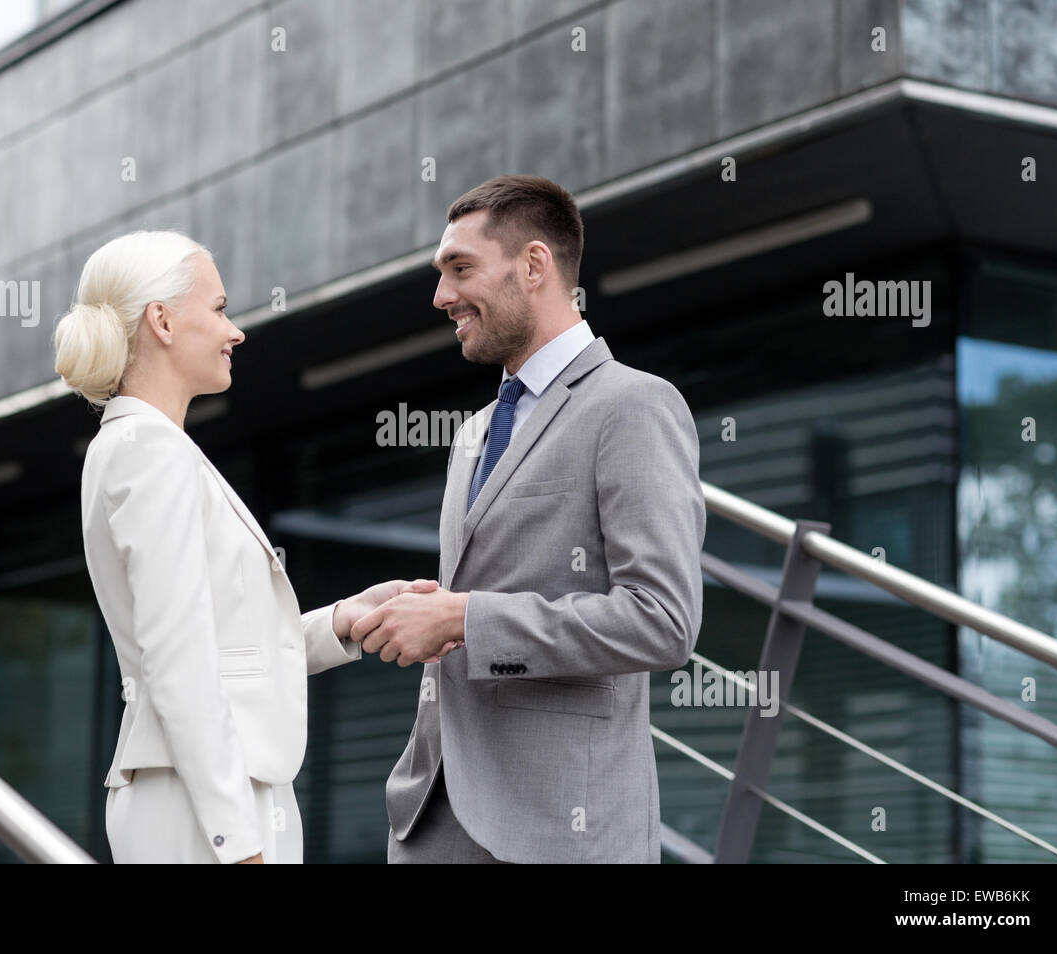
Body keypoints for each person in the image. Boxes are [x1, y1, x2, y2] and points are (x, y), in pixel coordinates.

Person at [350, 176, 706, 863]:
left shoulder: (633, 406)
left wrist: (465, 619)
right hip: (431, 818)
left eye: (461, 269)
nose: (441, 296)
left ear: (535, 265)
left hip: (559, 830)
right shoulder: (474, 434)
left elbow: (662, 621)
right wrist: (427, 613)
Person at [53, 230, 434, 863]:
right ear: (163, 321)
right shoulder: (149, 451)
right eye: (221, 308)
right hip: (201, 808)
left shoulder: (145, 447)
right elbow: (178, 660)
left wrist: (343, 621)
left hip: (204, 794)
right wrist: (238, 845)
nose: (237, 332)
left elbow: (225, 647)